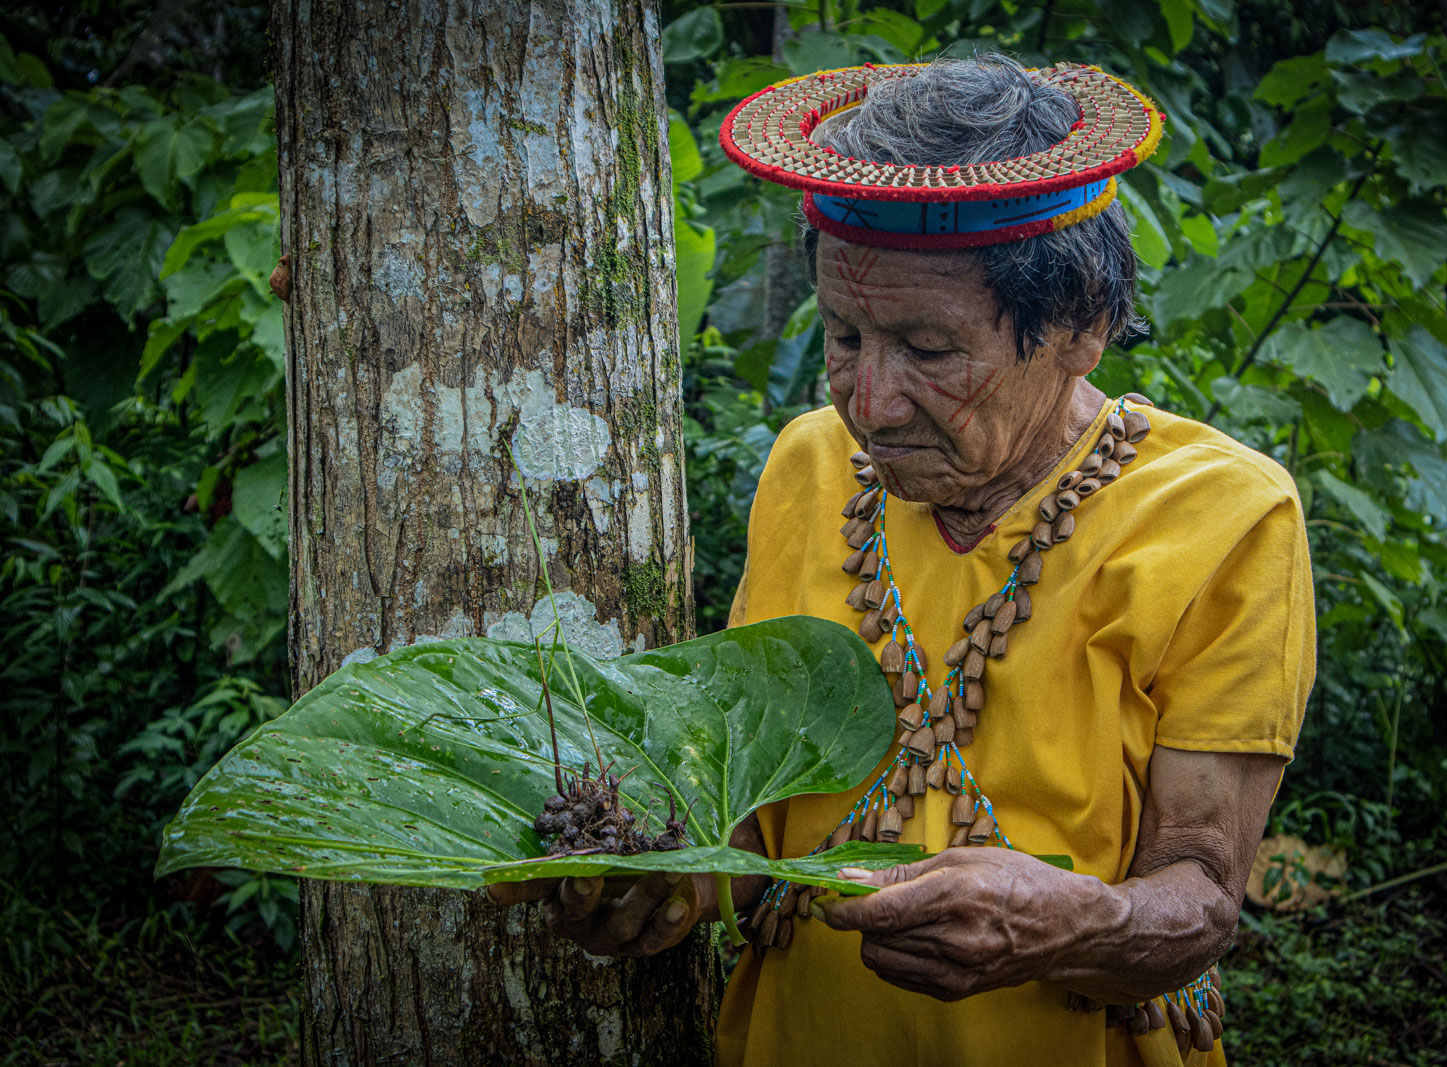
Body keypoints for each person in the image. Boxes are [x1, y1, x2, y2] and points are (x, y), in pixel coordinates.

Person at [491, 55, 1315, 1067]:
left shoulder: (1223, 515)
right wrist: (669, 884)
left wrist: (1072, 924)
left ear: (1080, 327)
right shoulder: (806, 466)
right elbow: (750, 831)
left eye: (926, 349)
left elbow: (1198, 895)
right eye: (844, 335)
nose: (868, 403)